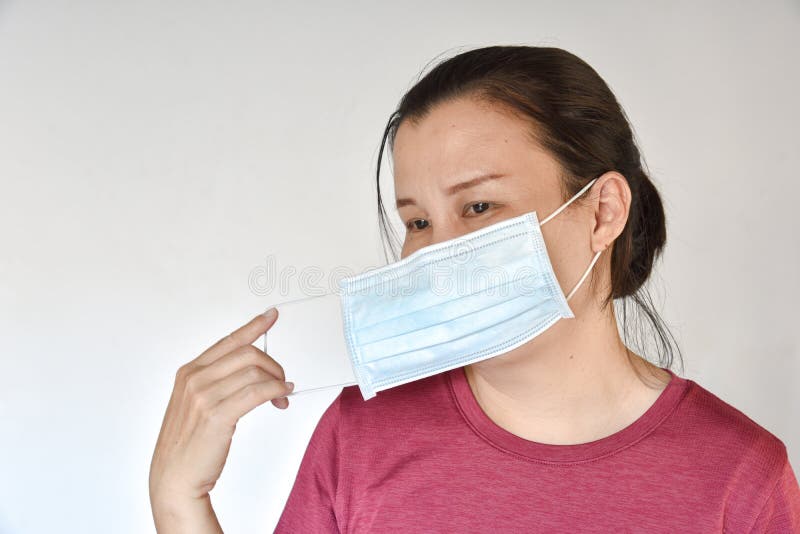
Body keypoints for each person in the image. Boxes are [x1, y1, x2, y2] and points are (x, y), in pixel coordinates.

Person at [149, 46, 800, 532]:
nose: (436, 253)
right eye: (417, 221)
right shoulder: (362, 434)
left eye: (480, 207)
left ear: (602, 212)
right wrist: (181, 500)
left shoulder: (739, 477)